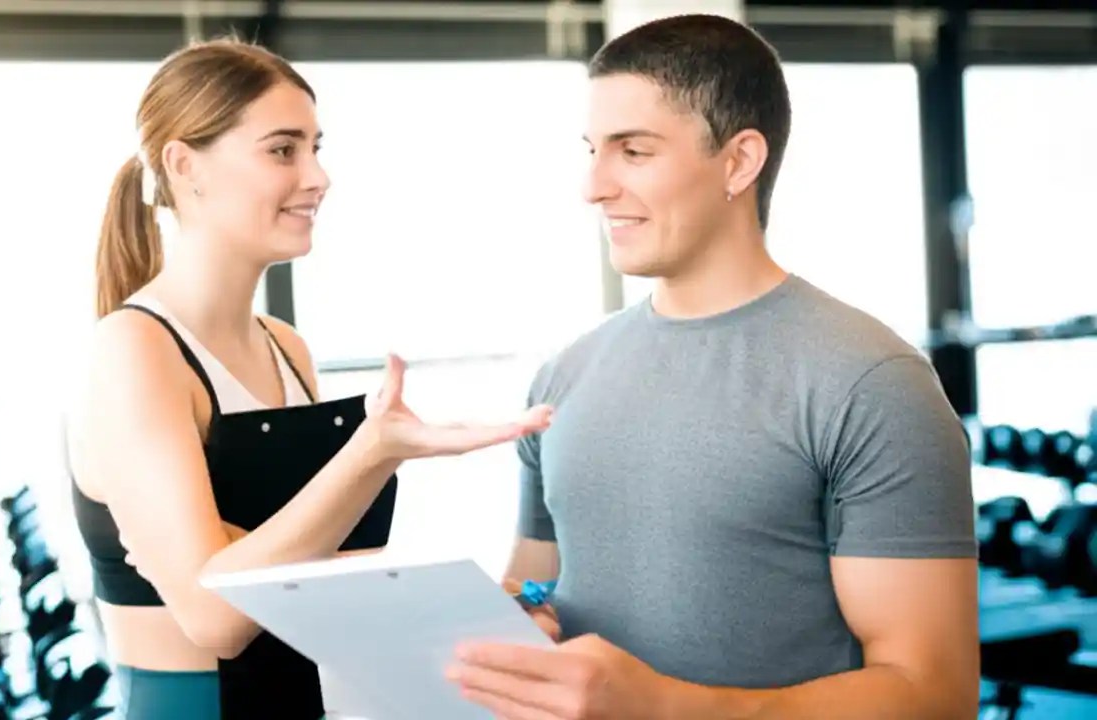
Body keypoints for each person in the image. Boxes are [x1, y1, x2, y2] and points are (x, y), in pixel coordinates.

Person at [448, 14, 980, 719]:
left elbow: (935, 693)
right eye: (593, 150)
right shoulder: (563, 377)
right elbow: (533, 589)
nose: (593, 186)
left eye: (633, 151)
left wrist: (666, 707)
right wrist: (514, 626)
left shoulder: (871, 384)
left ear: (738, 161)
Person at [64, 37, 552, 720]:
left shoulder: (285, 347)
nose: (318, 176)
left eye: (315, 148)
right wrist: (372, 452)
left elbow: (301, 578)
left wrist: (474, 608)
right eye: (283, 150)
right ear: (184, 165)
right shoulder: (134, 350)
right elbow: (216, 617)